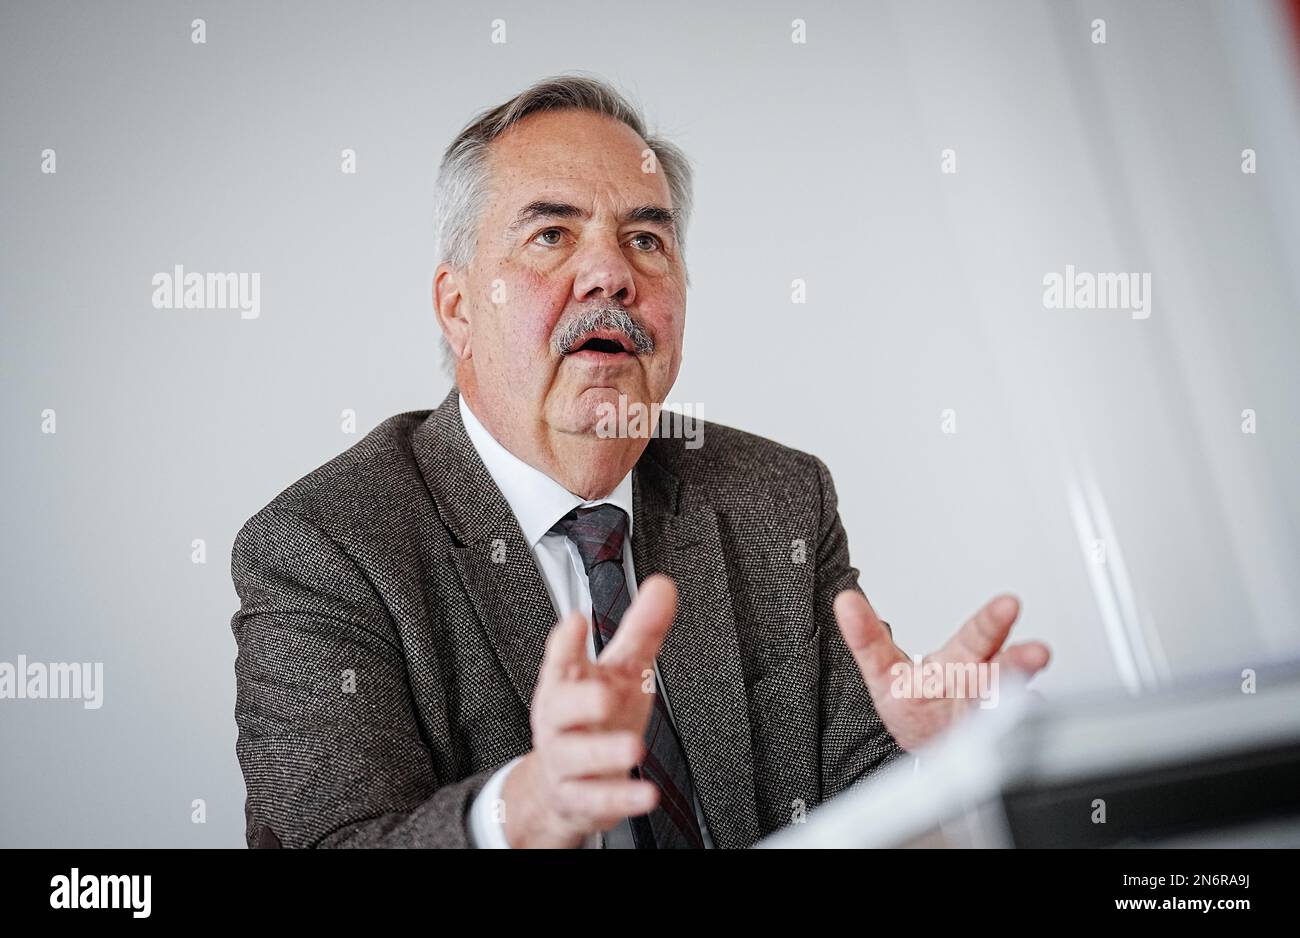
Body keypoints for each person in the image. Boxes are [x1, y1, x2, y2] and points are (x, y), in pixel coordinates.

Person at [229, 74, 1050, 849]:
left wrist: (943, 770)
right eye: (551, 235)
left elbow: (855, 807)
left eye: (645, 238)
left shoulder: (776, 501)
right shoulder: (322, 548)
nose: (610, 275)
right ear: (458, 306)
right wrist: (526, 809)